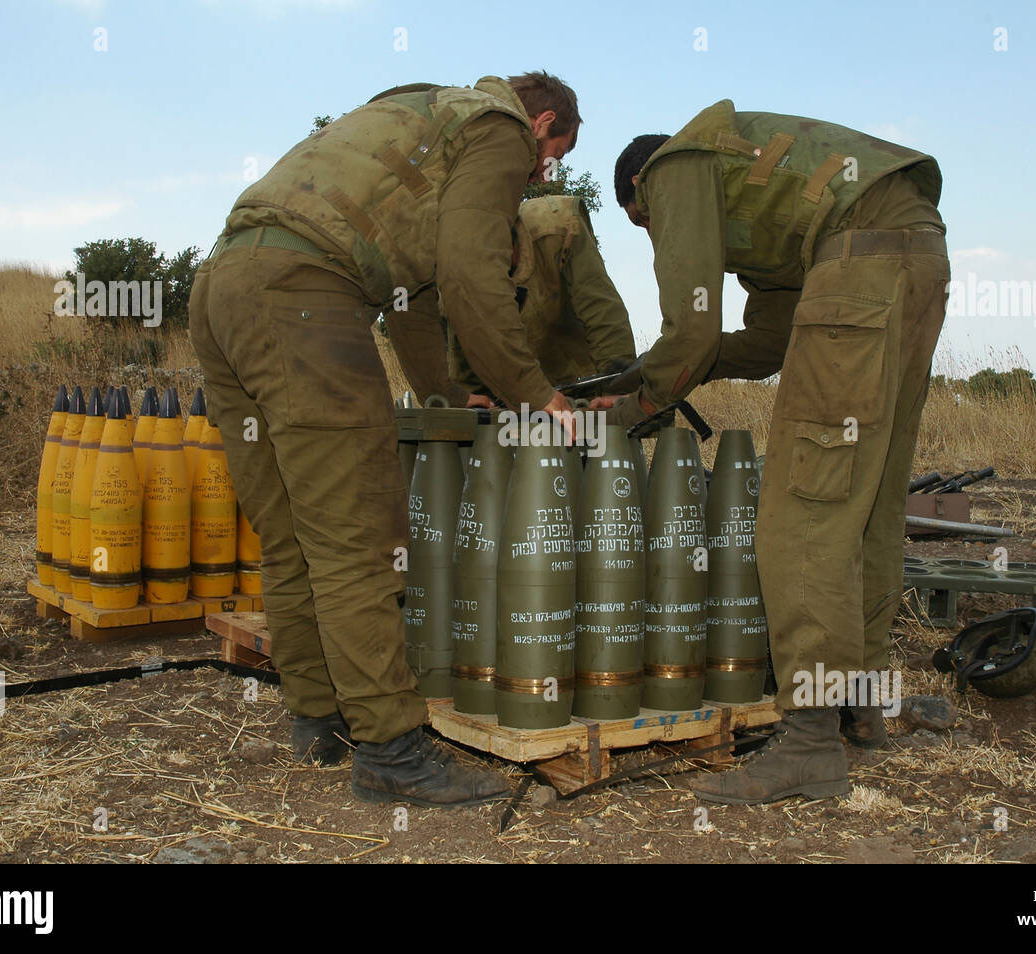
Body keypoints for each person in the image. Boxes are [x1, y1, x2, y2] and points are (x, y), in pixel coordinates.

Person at [189, 72, 580, 807]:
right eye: (549, 159)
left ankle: (320, 722)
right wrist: (539, 394)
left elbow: (413, 295)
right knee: (356, 541)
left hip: (222, 283)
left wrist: (441, 395)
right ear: (542, 124)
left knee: (292, 535)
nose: (538, 177)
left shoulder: (418, 116)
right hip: (303, 294)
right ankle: (390, 749)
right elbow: (467, 274)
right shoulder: (497, 129)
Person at [599, 100, 949, 804]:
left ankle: (810, 741)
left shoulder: (674, 168)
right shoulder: (764, 205)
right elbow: (760, 346)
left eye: (646, 225)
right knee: (870, 500)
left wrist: (636, 405)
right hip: (915, 256)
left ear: (641, 189)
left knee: (801, 515)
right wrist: (655, 370)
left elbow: (692, 326)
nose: (657, 237)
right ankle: (866, 704)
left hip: (861, 266)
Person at [382, 193, 636, 405]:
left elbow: (602, 312)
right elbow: (464, 359)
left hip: (586, 387)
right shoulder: (446, 273)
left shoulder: (558, 226)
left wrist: (619, 386)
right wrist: (465, 405)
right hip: (514, 398)